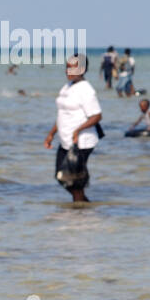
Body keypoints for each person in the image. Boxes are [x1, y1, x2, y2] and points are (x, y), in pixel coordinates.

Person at [44, 55, 102, 202]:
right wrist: (51, 134)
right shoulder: (67, 86)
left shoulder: (86, 90)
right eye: (67, 67)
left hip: (81, 143)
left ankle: (80, 212)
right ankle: (83, 206)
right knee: (61, 176)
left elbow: (96, 116)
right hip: (65, 141)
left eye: (72, 67)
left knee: (74, 180)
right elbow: (62, 113)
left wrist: (77, 130)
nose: (67, 70)